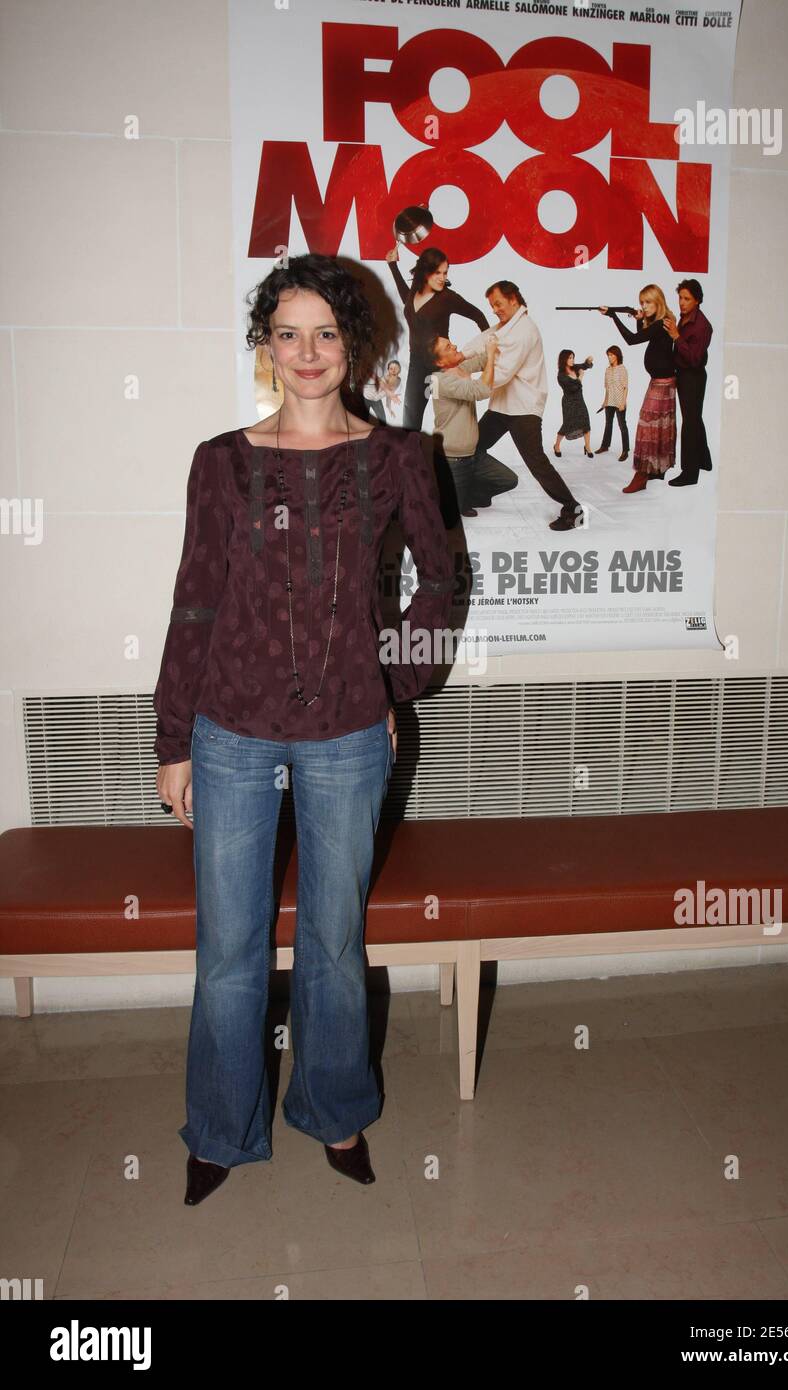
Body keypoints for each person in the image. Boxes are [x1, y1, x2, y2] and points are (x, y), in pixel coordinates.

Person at [153, 253, 456, 1206]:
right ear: (266, 346)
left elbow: (441, 583)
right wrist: (172, 740)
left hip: (349, 733)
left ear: (353, 346)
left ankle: (335, 1112)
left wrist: (395, 681)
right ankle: (220, 1126)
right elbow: (196, 600)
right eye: (289, 332)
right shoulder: (221, 461)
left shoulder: (402, 458)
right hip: (230, 729)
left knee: (333, 940)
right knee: (231, 945)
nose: (309, 350)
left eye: (327, 331)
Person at [460, 281, 584, 531]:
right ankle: (478, 494)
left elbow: (502, 374)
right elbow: (483, 340)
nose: (495, 309)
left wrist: (461, 382)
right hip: (503, 405)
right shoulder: (507, 326)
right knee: (471, 446)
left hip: (524, 408)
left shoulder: (524, 330)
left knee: (536, 461)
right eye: (492, 305)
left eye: (498, 303)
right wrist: (458, 358)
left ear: (514, 299)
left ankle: (573, 510)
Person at [385, 243, 488, 430]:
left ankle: (458, 456)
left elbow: (478, 315)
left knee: (453, 419)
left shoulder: (447, 297)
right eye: (437, 273)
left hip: (442, 364)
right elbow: (406, 298)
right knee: (410, 418)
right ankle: (411, 457)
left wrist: (489, 344)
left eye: (445, 273)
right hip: (417, 362)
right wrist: (392, 265)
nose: (442, 278)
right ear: (425, 272)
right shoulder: (414, 293)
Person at [427, 332, 515, 522]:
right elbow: (481, 390)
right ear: (440, 362)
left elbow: (483, 361)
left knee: (508, 479)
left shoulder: (459, 368)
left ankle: (465, 495)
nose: (455, 346)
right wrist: (491, 355)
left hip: (473, 453)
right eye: (448, 347)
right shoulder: (439, 381)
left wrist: (497, 341)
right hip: (453, 458)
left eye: (451, 343)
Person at [600, 285, 676, 494]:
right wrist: (638, 318)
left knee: (648, 425)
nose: (644, 306)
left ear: (658, 302)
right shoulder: (660, 322)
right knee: (658, 426)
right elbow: (643, 334)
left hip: (662, 383)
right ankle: (655, 471)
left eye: (648, 302)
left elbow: (632, 340)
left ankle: (642, 475)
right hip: (660, 382)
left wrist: (613, 316)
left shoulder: (662, 323)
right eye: (642, 302)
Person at [663, 278, 713, 487]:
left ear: (697, 301)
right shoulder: (684, 317)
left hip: (693, 376)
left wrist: (676, 336)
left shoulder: (702, 326)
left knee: (690, 423)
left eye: (687, 299)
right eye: (680, 298)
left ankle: (689, 473)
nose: (682, 302)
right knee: (694, 418)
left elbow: (694, 358)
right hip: (684, 375)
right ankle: (704, 461)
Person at [553, 349, 594, 458]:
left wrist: (588, 361)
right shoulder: (561, 375)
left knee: (586, 422)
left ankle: (588, 447)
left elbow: (585, 366)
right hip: (569, 402)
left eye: (573, 357)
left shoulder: (575, 367)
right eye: (570, 358)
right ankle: (556, 445)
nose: (572, 360)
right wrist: (581, 377)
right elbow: (573, 388)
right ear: (564, 359)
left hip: (580, 400)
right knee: (567, 425)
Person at [595, 345, 630, 462]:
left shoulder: (622, 369)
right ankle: (605, 446)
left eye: (611, 355)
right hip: (610, 401)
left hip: (620, 401)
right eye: (608, 355)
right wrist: (605, 401)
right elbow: (607, 388)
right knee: (608, 424)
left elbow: (626, 387)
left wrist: (623, 403)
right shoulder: (608, 370)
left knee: (622, 425)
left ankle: (626, 450)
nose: (609, 357)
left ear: (617, 355)